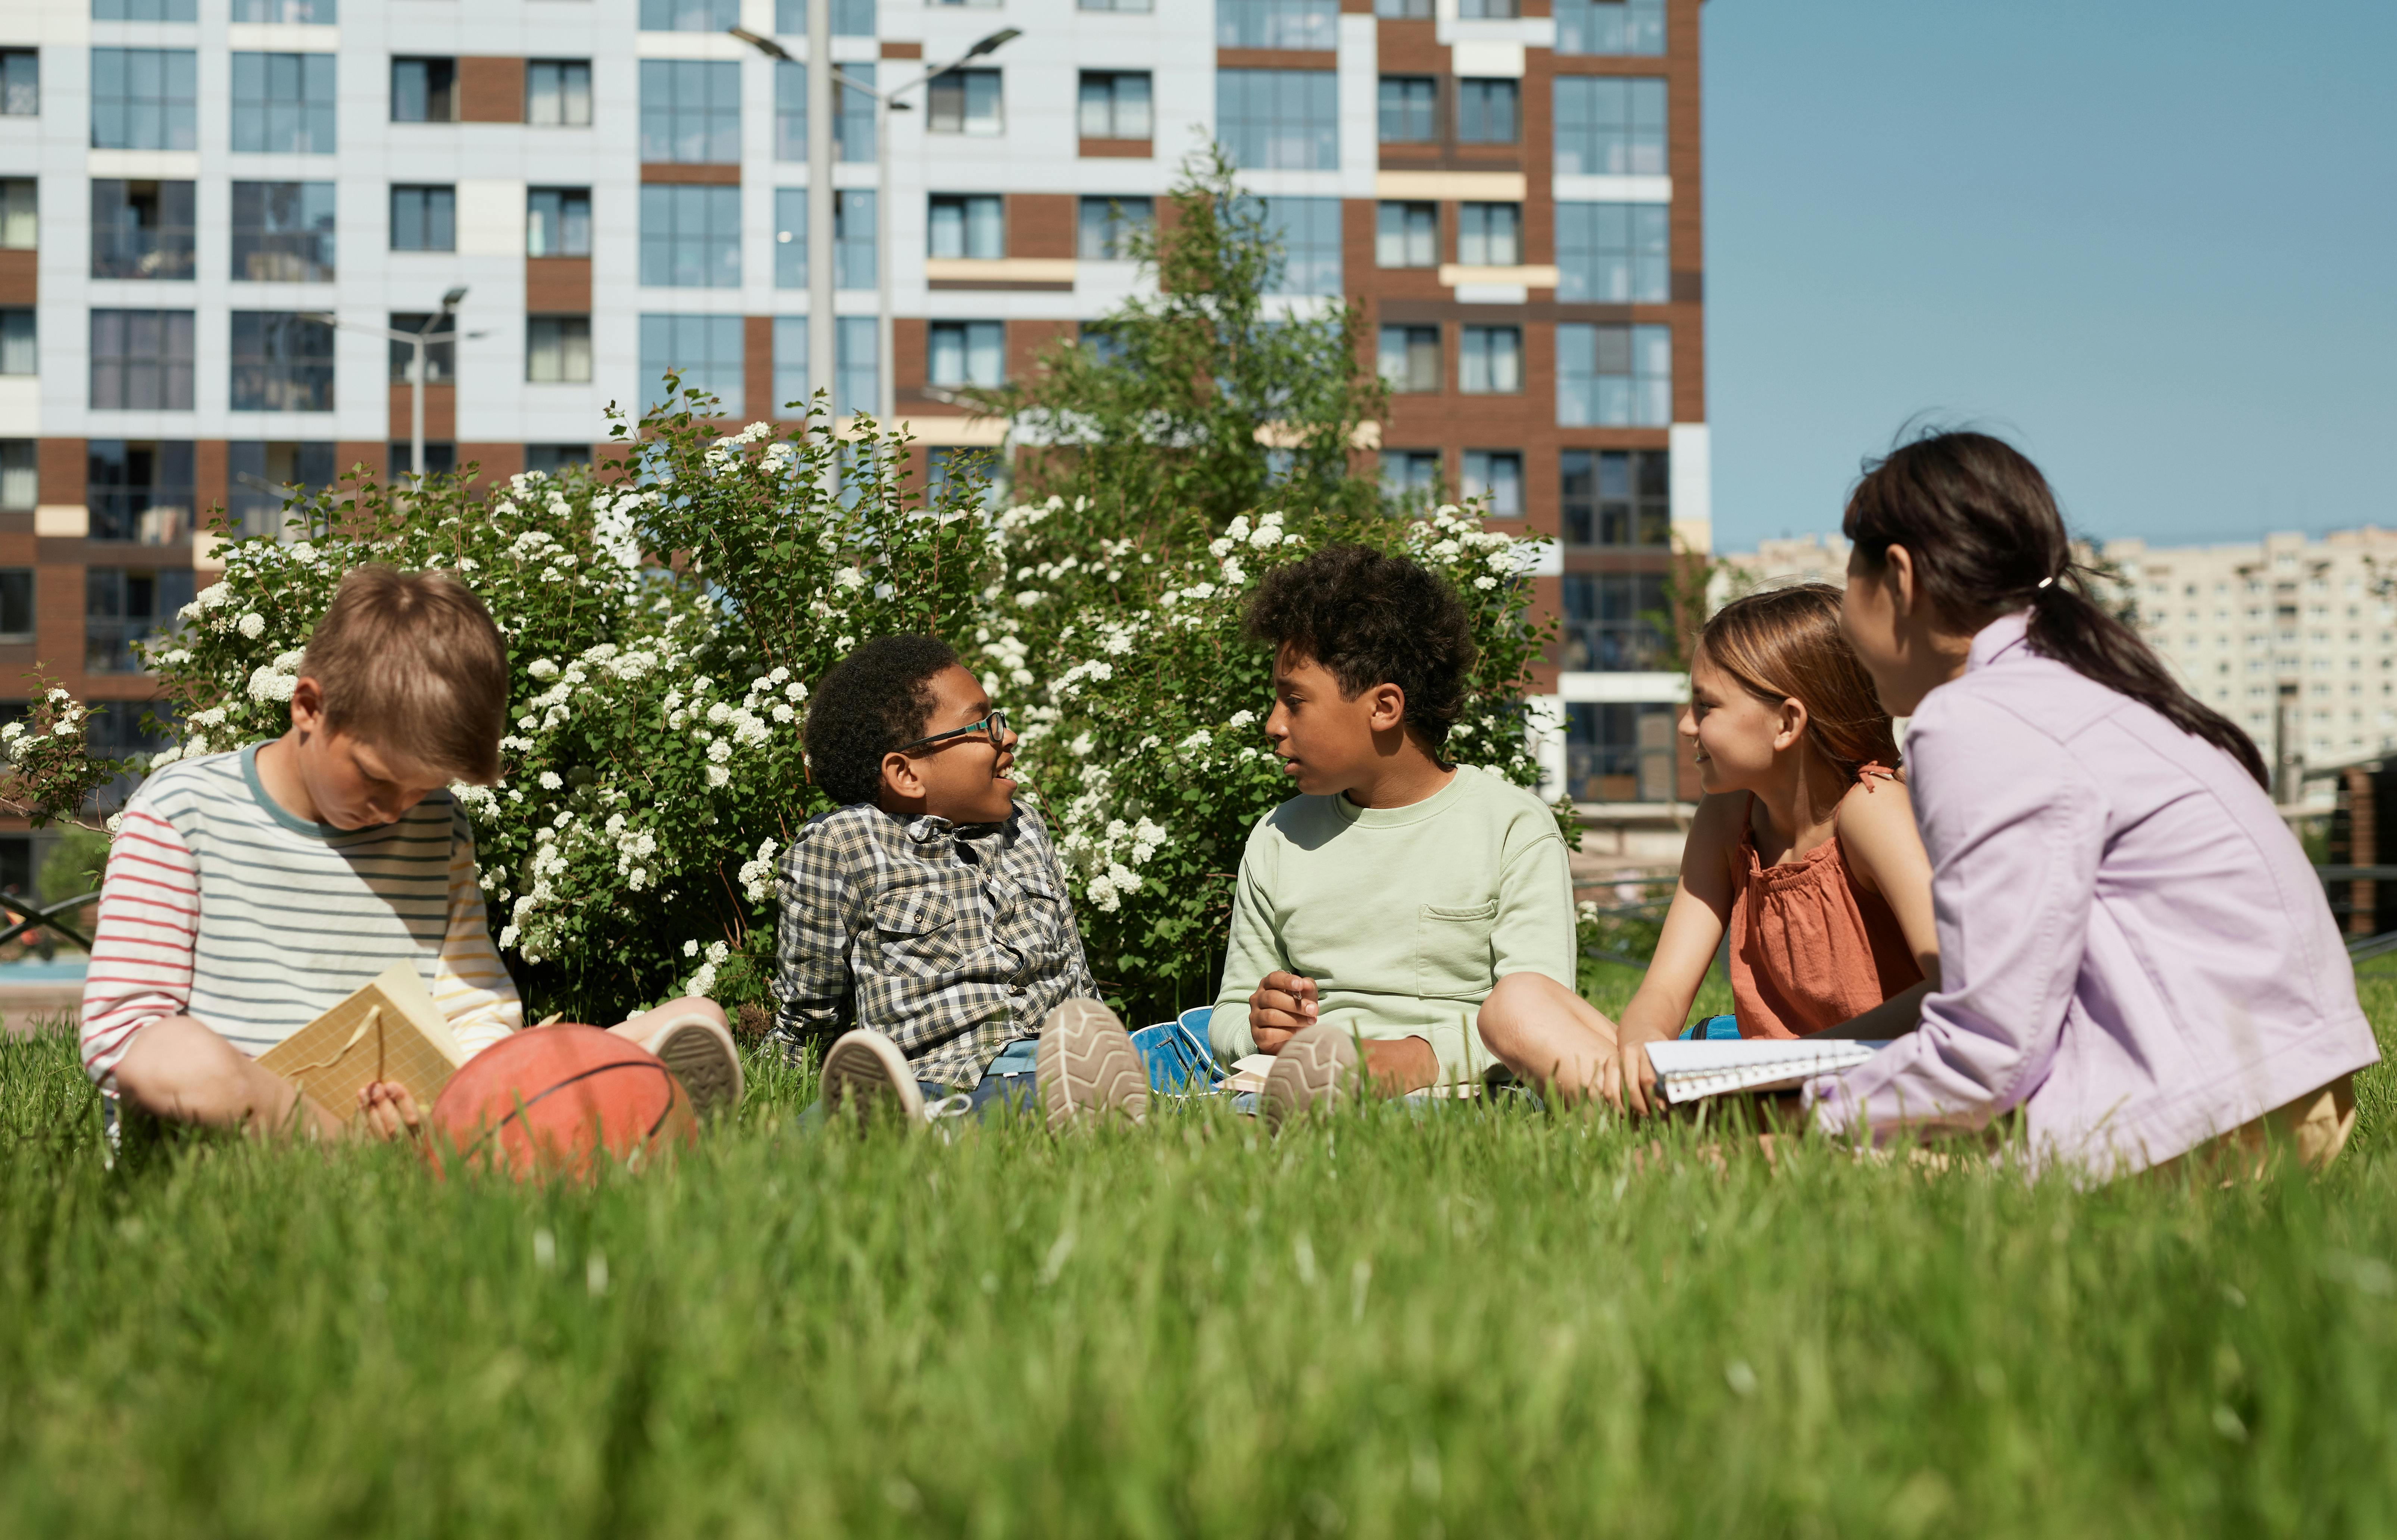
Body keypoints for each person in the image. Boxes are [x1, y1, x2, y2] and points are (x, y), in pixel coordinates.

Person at [1815, 429, 2379, 1177]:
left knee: (1790, 1162)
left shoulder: (1977, 719)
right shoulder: (2090, 686)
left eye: (1843, 584)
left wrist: (1808, 1111)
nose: (1844, 627)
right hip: (2282, 1099)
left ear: (1897, 577)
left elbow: (1987, 1054)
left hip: (2203, 1121)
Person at [80, 566, 742, 1140]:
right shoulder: (182, 811)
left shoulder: (437, 825)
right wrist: (309, 1114)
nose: (398, 808)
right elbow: (124, 1033)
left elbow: (473, 1007)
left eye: (425, 788)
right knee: (183, 1061)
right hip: (240, 1114)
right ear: (308, 707)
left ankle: (564, 1120)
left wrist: (470, 1085)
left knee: (694, 1016)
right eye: (375, 777)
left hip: (412, 1112)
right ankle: (416, 1143)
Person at [1477, 583, 1941, 1111]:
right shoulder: (1728, 817)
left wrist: (1800, 1062)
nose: (1685, 726)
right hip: (1760, 1080)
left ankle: (1682, 1128)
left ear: (1787, 724)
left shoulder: (1873, 808)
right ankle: (1675, 1120)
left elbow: (1957, 987)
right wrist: (1641, 1054)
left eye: (1706, 706)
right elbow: (1665, 991)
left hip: (1873, 1079)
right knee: (1514, 1004)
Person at [1207, 544, 1577, 1128]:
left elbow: (1548, 1020)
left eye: (1295, 701)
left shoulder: (1510, 829)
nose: (1273, 724)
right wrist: (1256, 1022)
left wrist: (1414, 1060)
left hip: (1464, 1093)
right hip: (1300, 1083)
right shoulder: (1278, 838)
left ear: (1384, 707)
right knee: (1241, 1117)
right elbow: (1229, 1010)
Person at [772, 635, 1148, 1131]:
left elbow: (1078, 983)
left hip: (1051, 1063)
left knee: (1059, 1089)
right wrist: (784, 1084)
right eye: (985, 724)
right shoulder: (845, 842)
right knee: (819, 1131)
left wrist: (1107, 1043)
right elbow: (807, 1012)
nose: (1007, 737)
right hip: (931, 1076)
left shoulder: (1025, 827)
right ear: (907, 773)